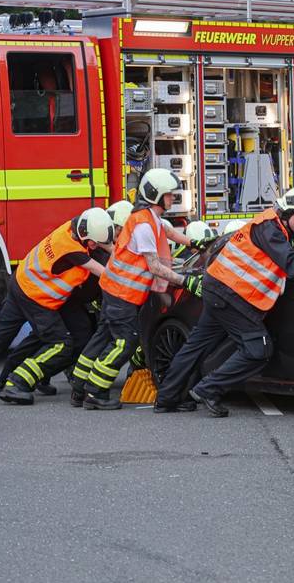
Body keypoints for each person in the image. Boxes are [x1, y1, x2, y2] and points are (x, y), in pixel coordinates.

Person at [155, 185, 294, 417]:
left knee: (196, 345)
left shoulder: (271, 226)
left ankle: (167, 398)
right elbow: (291, 265)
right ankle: (209, 389)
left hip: (220, 290)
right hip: (230, 295)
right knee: (259, 349)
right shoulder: (270, 230)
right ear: (290, 212)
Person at [70, 169, 206, 410]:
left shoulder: (148, 218)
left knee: (104, 337)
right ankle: (94, 392)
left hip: (114, 289)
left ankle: (80, 387)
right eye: (169, 195)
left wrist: (193, 243)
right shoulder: (143, 224)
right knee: (126, 342)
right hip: (121, 293)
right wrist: (186, 281)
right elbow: (154, 265)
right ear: (156, 195)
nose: (172, 198)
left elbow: (167, 231)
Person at [0, 208, 116, 405]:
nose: (94, 246)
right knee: (61, 344)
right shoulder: (73, 251)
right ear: (84, 235)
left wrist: (114, 248)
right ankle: (17, 384)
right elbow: (104, 273)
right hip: (37, 299)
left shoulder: (71, 228)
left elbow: (105, 246)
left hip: (20, 284)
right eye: (92, 243)